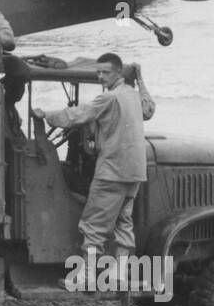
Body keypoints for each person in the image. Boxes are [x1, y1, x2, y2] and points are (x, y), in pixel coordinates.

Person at [42, 53, 155, 288]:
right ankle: (119, 275)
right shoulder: (133, 96)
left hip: (112, 171)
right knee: (124, 222)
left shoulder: (109, 99)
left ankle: (86, 277)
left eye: (105, 72)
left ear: (118, 73)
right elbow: (149, 110)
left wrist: (46, 115)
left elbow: (77, 115)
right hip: (134, 172)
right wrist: (141, 79)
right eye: (99, 72)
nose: (101, 77)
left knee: (94, 224)